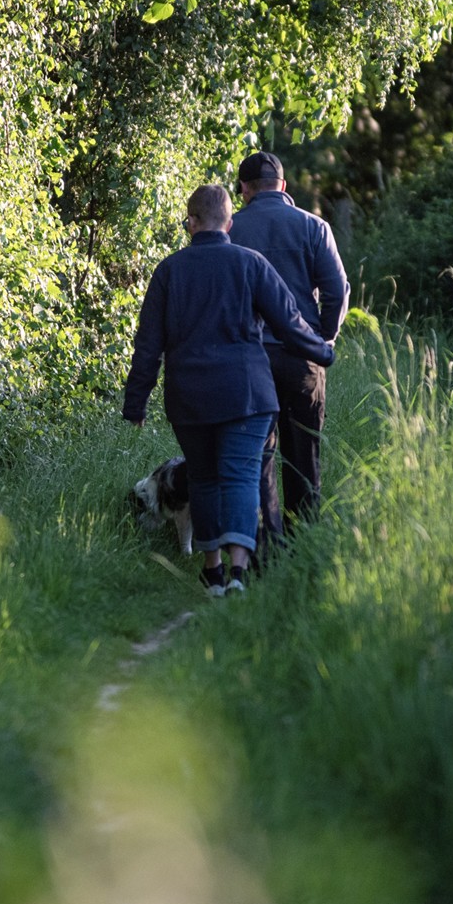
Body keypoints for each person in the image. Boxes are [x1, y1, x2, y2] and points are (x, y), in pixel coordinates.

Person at [123, 184, 335, 596]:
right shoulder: (250, 263)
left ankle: (213, 571)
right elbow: (289, 322)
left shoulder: (169, 271)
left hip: (190, 398)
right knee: (240, 476)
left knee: (203, 479)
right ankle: (238, 573)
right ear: (230, 222)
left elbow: (148, 345)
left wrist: (137, 402)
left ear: (191, 222)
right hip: (247, 396)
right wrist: (322, 351)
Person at [226, 151, 349, 548]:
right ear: (283, 186)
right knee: (303, 455)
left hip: (249, 360)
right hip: (302, 359)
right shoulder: (314, 227)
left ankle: (265, 548)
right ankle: (304, 545)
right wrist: (321, 339)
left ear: (243, 189)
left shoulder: (230, 231)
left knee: (257, 455)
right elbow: (337, 291)